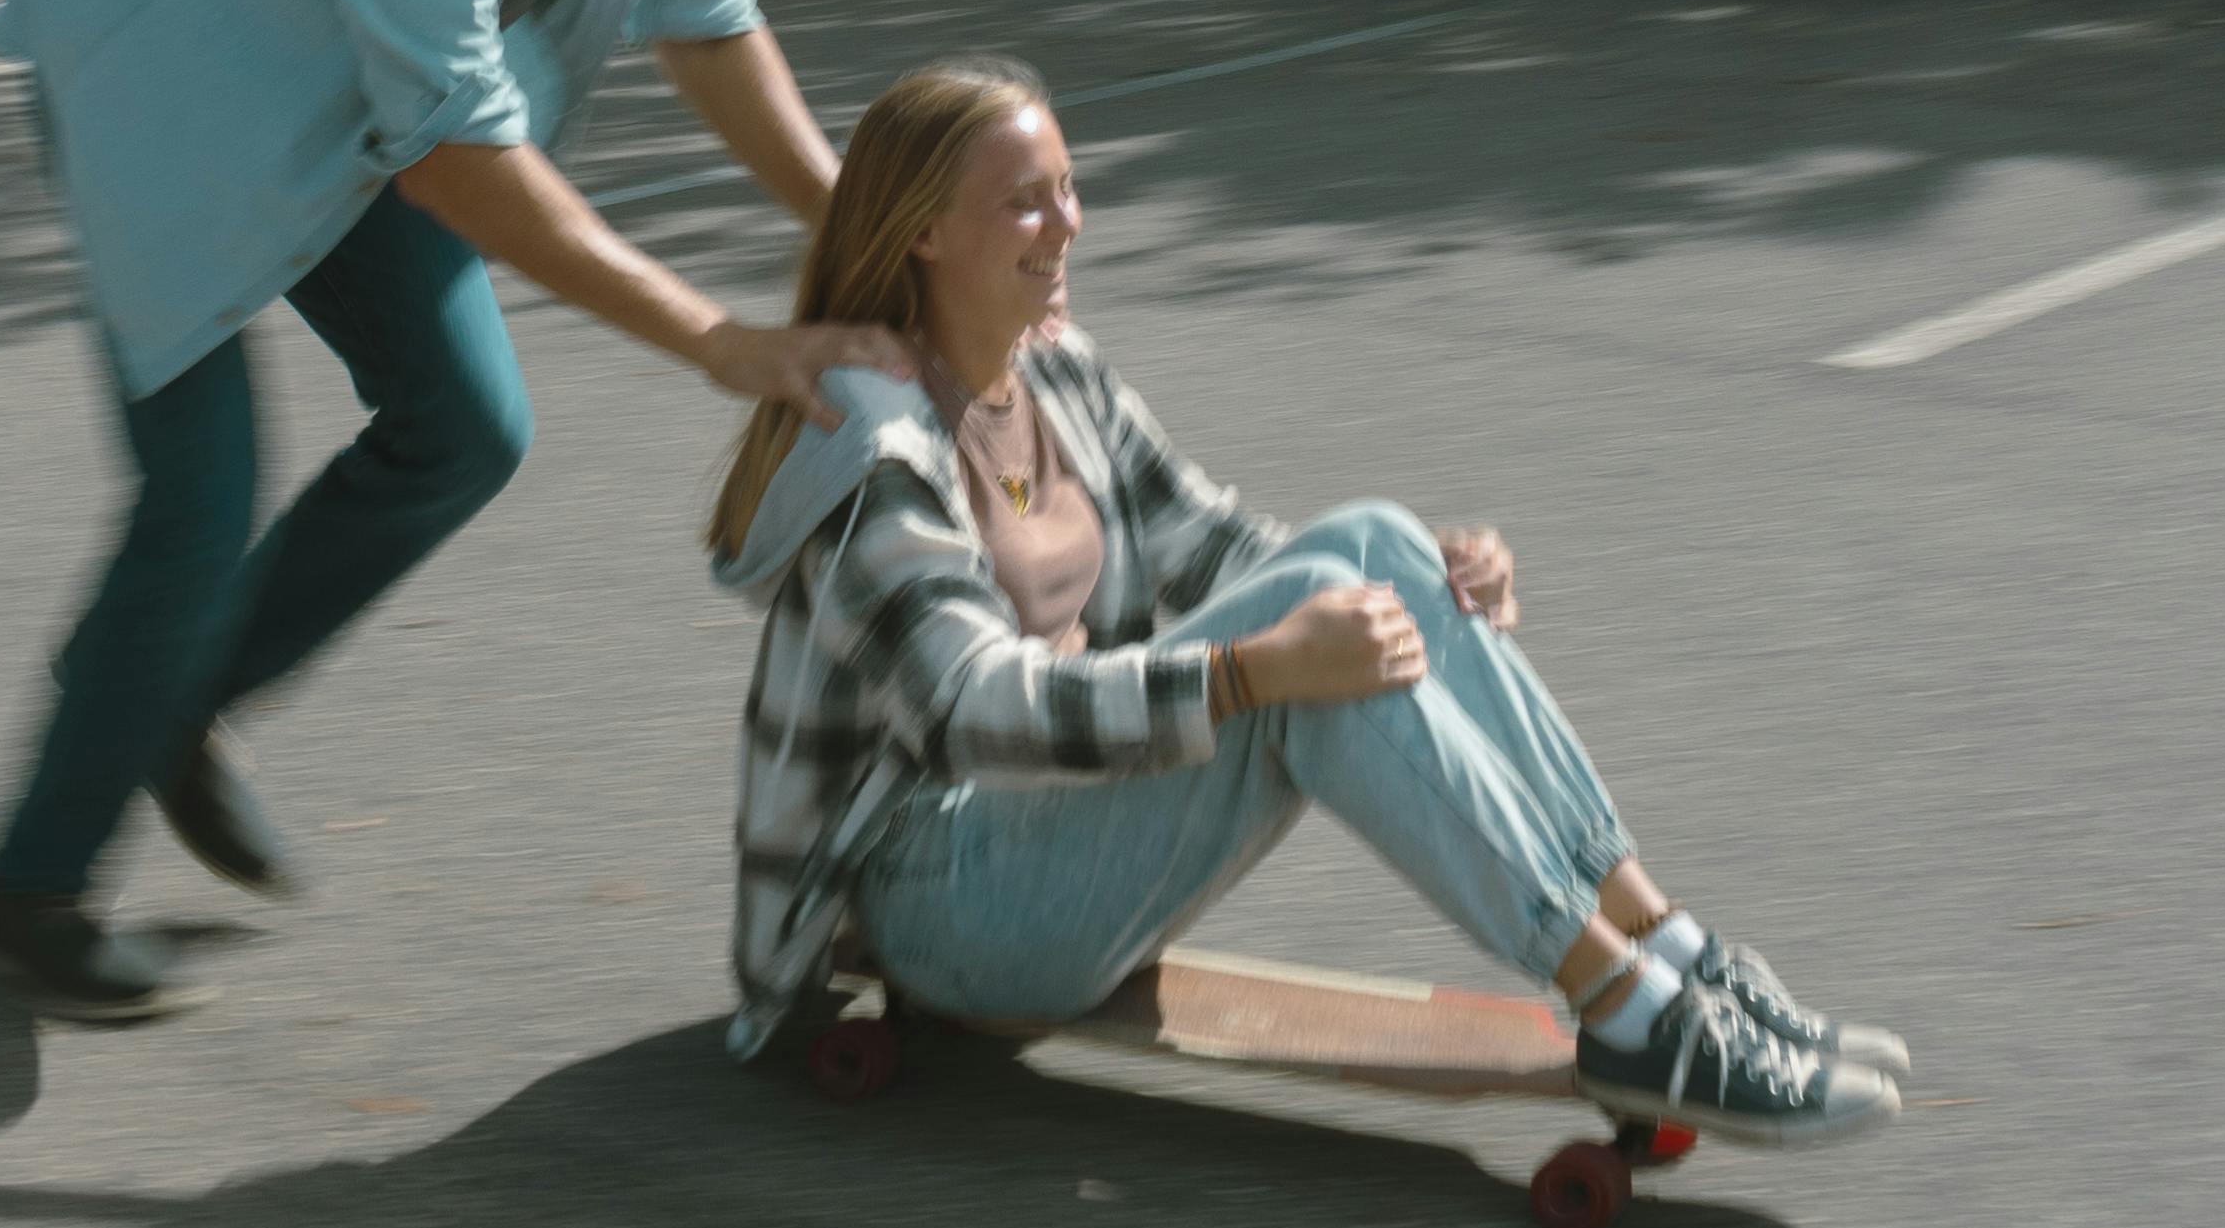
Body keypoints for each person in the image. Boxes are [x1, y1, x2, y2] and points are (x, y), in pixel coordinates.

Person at [0, 0, 911, 1020]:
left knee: (465, 425)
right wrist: (723, 343)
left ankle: (172, 695)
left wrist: (862, 230)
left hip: (344, 105)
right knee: (198, 499)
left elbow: (704, 19)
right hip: (166, 100)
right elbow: (465, 162)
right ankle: (35, 881)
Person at [711, 58, 1909, 1140]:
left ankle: (1667, 947)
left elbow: (1216, 543)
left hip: (1054, 832)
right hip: (944, 900)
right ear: (922, 232)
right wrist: (1251, 673)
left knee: (1375, 546)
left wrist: (1425, 592)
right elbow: (978, 711)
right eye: (1025, 199)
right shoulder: (871, 453)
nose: (1066, 222)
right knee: (1306, 671)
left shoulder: (1052, 369)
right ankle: (1629, 1013)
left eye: (1069, 187)